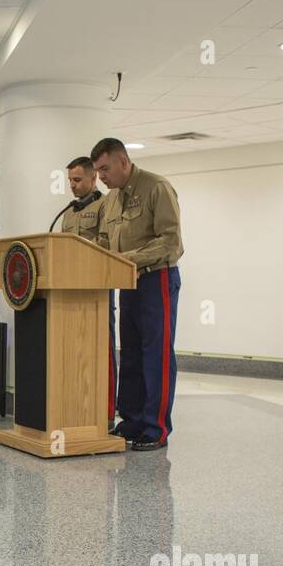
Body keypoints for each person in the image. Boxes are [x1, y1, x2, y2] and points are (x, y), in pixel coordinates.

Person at [91, 137, 183, 452]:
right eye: (97, 171)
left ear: (123, 162)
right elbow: (104, 240)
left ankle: (155, 427)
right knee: (129, 352)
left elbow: (170, 241)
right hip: (126, 281)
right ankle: (130, 420)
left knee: (155, 353)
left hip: (156, 278)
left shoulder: (157, 187)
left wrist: (128, 259)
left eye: (105, 168)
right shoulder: (110, 200)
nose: (101, 176)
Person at [60, 156, 115, 429]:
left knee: (101, 352)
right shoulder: (68, 212)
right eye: (70, 180)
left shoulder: (107, 205)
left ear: (93, 178)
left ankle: (105, 412)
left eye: (78, 180)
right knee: (72, 351)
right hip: (69, 292)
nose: (73, 185)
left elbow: (106, 242)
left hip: (97, 291)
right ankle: (75, 407)